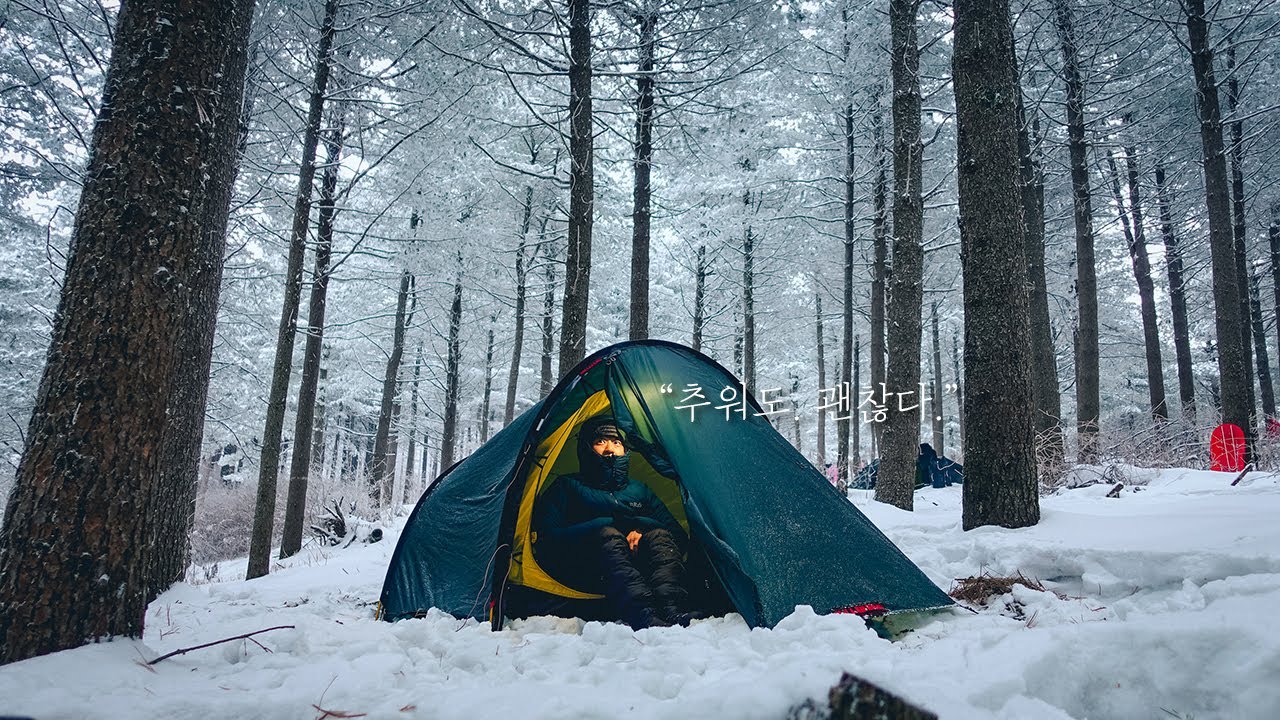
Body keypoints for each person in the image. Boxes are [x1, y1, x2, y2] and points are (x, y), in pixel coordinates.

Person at [533, 415, 694, 629]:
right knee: (607, 534)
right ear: (587, 448)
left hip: (640, 571)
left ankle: (671, 610)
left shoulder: (640, 490)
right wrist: (606, 524)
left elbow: (678, 536)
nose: (610, 448)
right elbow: (547, 540)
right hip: (585, 570)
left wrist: (640, 528)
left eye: (617, 442)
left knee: (660, 536)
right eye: (601, 441)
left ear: (625, 450)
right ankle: (643, 615)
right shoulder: (566, 486)